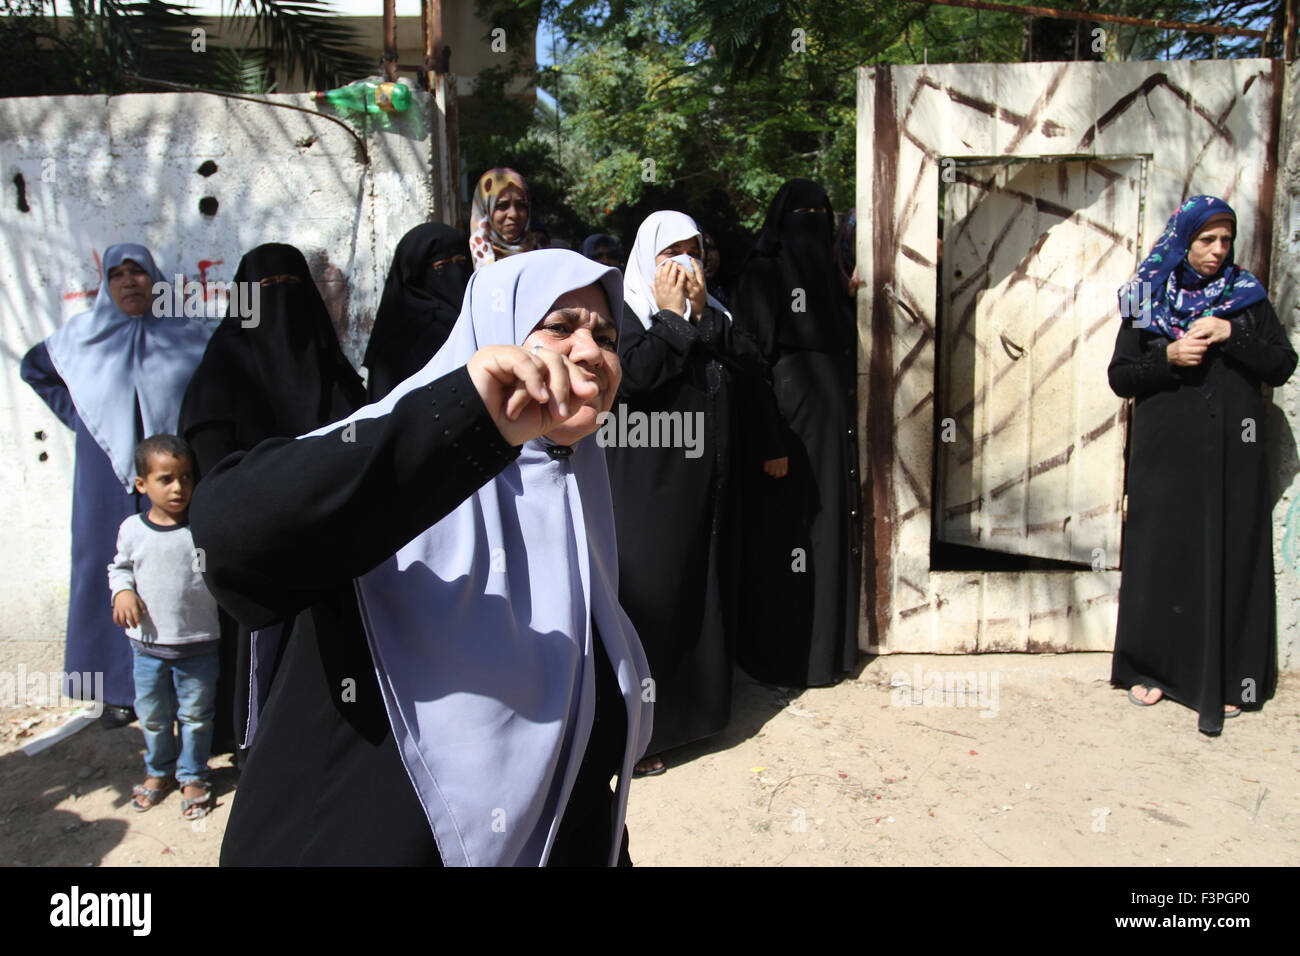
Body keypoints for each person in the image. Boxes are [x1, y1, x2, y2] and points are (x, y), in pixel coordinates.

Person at [189, 249, 652, 866]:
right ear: (499, 335)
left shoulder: (576, 488)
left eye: (606, 335)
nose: (591, 352)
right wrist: (464, 421)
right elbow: (228, 536)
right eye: (561, 327)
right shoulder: (397, 453)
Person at [1108, 195, 1295, 736]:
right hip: (1166, 453)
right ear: (1183, 240)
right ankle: (1150, 668)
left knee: (1229, 553)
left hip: (1233, 455)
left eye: (1225, 240)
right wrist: (1165, 359)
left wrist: (1232, 336)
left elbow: (1281, 365)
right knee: (1162, 553)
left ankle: (1231, 676)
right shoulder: (1148, 296)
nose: (1217, 251)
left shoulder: (1245, 297)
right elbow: (1121, 376)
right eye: (1206, 239)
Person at [607, 211, 784, 776]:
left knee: (701, 589)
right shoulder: (625, 311)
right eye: (672, 252)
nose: (686, 263)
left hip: (709, 484)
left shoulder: (716, 310)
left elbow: (753, 364)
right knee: (654, 597)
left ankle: (701, 714)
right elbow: (634, 380)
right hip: (650, 485)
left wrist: (703, 315)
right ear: (646, 259)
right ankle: (643, 733)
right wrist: (668, 317)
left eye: (695, 250)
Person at [178, 243, 367, 759]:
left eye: (289, 290)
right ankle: (256, 746)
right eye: (265, 292)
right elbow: (212, 470)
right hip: (261, 553)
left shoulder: (336, 374)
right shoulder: (219, 377)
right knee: (260, 656)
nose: (278, 305)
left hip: (337, 554)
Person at [21, 243, 214, 728]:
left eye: (138, 272)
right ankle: (110, 691)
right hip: (104, 472)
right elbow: (34, 369)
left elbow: (217, 384)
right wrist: (83, 419)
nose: (130, 282)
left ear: (156, 280)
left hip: (168, 474)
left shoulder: (188, 336)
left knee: (178, 569)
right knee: (101, 566)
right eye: (118, 274)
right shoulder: (80, 339)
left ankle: (183, 686)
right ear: (106, 284)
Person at [730, 179, 863, 688]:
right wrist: (770, 440)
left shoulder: (831, 279)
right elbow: (750, 365)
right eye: (801, 213)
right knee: (788, 538)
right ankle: (785, 658)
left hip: (832, 435)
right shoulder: (762, 277)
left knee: (828, 532)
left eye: (820, 213)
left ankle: (827, 654)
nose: (812, 221)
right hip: (787, 432)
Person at [109, 435, 221, 818]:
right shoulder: (132, 530)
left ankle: (192, 774)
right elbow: (120, 568)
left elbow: (220, 573)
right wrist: (122, 592)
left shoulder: (202, 530)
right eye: (166, 478)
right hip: (148, 648)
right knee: (154, 717)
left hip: (199, 645)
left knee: (196, 716)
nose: (179, 487)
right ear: (142, 484)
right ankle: (158, 770)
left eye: (186, 477)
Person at [364, 225, 473, 401]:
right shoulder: (397, 341)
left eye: (461, 262)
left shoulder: (474, 321)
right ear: (414, 275)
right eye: (440, 266)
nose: (454, 273)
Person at [468, 167, 540, 271]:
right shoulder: (465, 259)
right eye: (502, 206)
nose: (513, 214)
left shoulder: (541, 253)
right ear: (485, 210)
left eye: (520, 205)